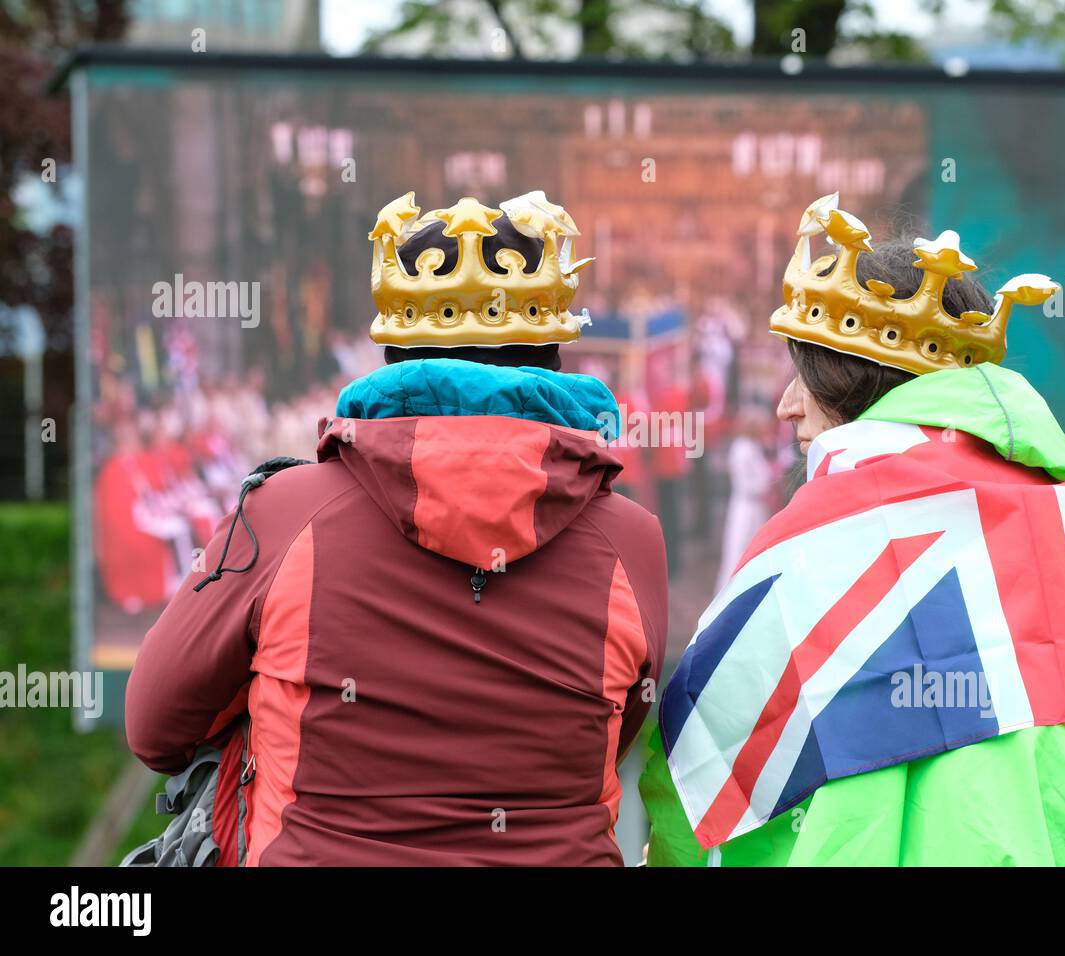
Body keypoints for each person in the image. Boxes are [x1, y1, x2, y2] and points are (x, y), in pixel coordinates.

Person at [640, 193, 1065, 866]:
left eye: (802, 377)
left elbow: (698, 772)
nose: (787, 407)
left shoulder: (826, 537)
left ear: (846, 382)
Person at [126, 190, 668, 866]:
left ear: (390, 357)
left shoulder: (283, 512)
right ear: (555, 355)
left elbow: (156, 729)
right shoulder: (633, 540)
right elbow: (609, 732)